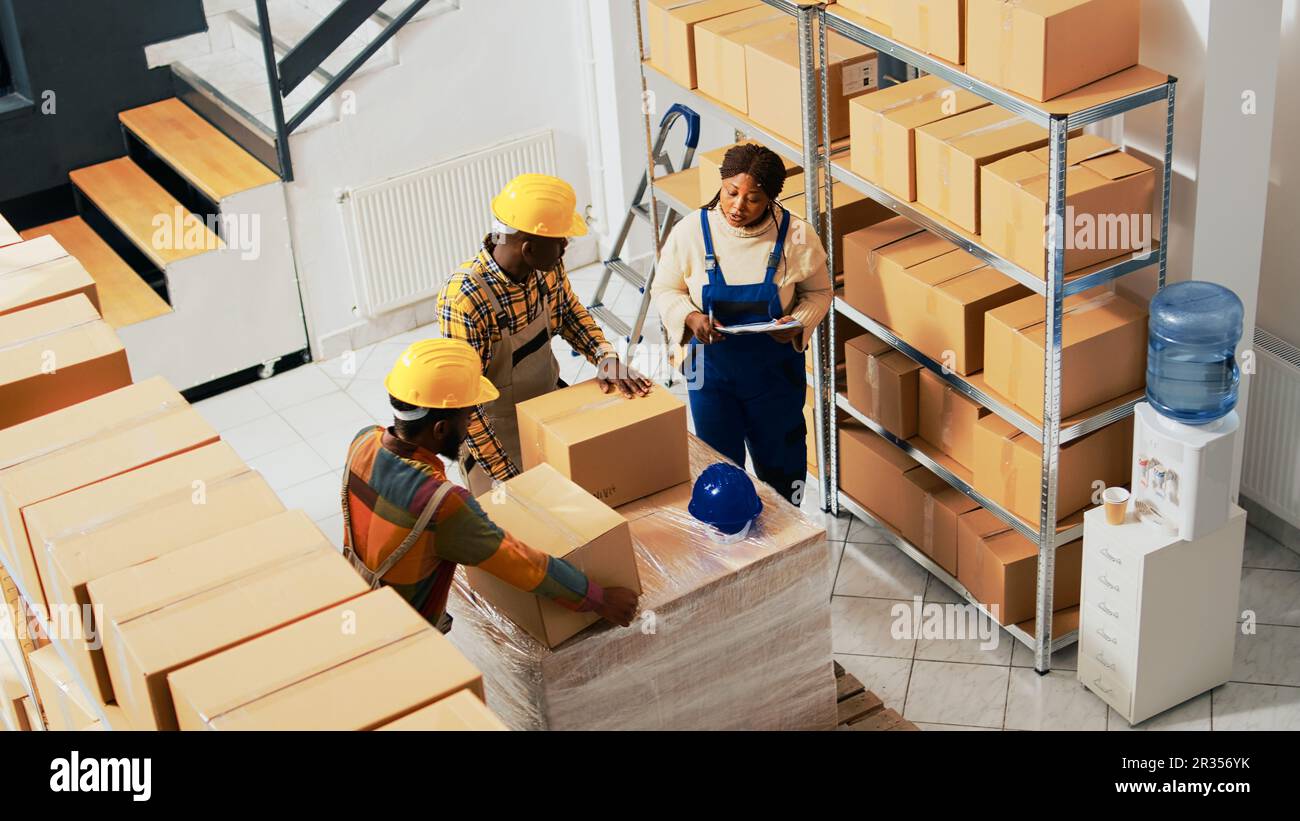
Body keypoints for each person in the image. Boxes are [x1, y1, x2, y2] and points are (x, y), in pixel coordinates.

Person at [341, 338, 640, 633]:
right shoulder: (442, 502)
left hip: (361, 601)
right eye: (467, 417)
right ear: (440, 428)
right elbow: (521, 564)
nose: (470, 425)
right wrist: (600, 599)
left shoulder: (363, 441)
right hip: (405, 637)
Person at [437, 173, 652, 496]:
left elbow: (568, 312)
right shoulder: (465, 299)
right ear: (528, 247)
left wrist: (604, 356)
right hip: (495, 442)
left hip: (547, 416)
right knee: (520, 533)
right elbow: (467, 407)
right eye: (561, 240)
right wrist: (512, 481)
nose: (566, 247)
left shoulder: (545, 267)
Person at [651, 144, 832, 504]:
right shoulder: (690, 232)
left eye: (753, 198)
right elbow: (664, 288)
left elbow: (820, 292)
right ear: (721, 183)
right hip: (709, 373)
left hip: (774, 374)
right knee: (719, 466)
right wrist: (690, 316)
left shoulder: (796, 235)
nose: (737, 206)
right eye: (732, 192)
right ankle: (731, 542)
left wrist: (797, 323)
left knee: (782, 466)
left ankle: (784, 541)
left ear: (770, 199)